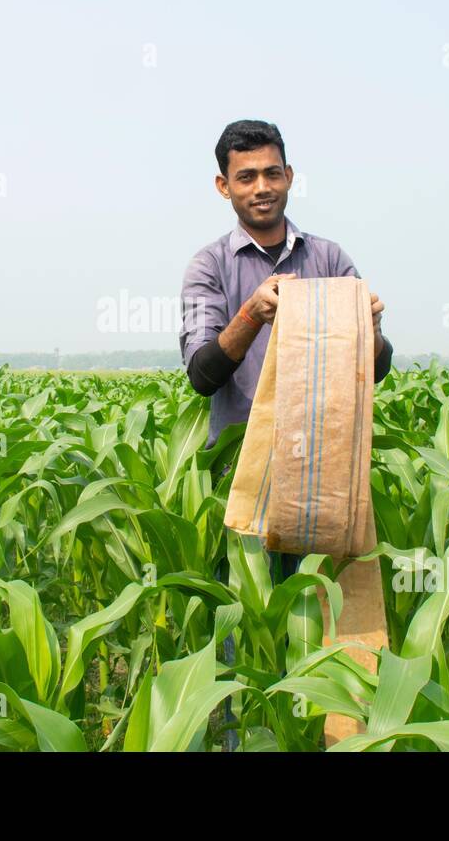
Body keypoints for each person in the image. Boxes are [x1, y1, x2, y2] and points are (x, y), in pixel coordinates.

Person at [178, 119, 393, 748]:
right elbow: (202, 372)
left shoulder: (329, 258)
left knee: (326, 619)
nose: (262, 186)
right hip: (245, 475)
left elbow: (374, 366)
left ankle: (329, 735)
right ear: (224, 186)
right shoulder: (210, 267)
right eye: (247, 176)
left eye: (273, 172)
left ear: (289, 177)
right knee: (245, 623)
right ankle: (241, 737)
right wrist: (254, 311)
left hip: (326, 476)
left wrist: (371, 324)